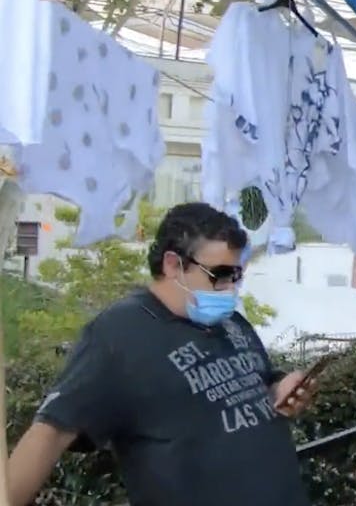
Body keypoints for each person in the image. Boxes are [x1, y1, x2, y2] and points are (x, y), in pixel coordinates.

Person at [6, 202, 315, 506]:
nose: (230, 289)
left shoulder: (232, 322)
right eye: (220, 275)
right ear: (172, 264)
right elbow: (49, 433)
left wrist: (280, 388)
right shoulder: (119, 334)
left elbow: (262, 381)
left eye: (237, 276)